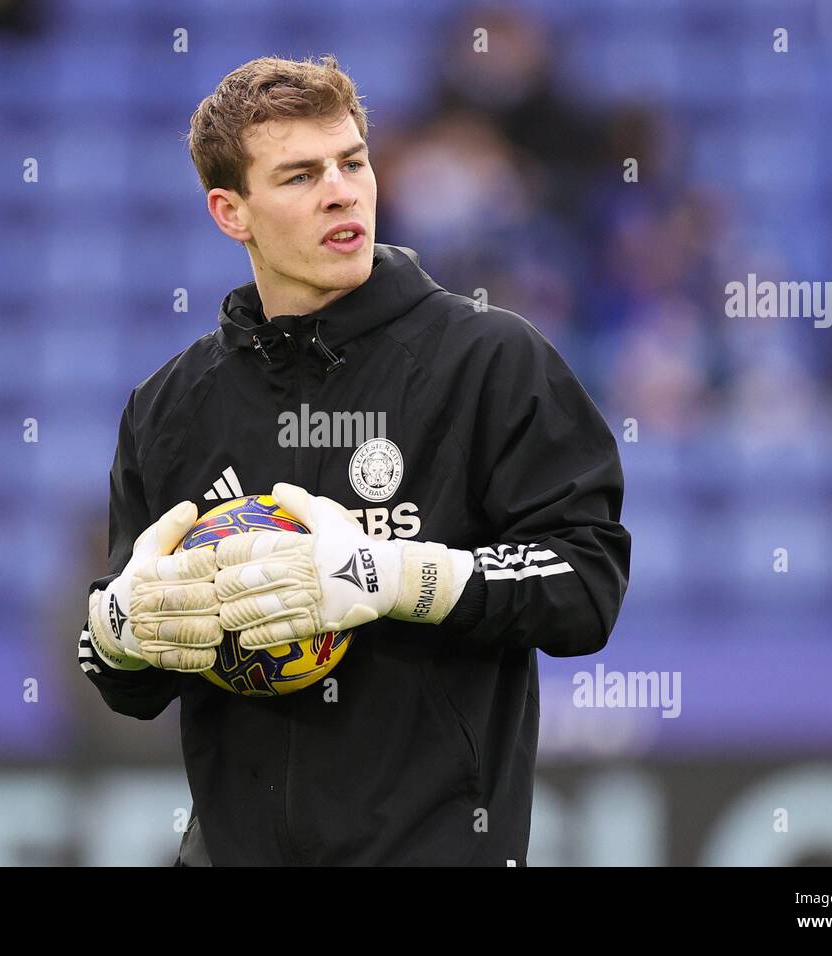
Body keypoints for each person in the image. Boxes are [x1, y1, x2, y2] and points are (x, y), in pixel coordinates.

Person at [77, 55, 630, 865]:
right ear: (232, 212)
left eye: (354, 161)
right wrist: (117, 632)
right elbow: (130, 684)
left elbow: (585, 585)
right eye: (300, 176)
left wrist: (396, 579)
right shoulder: (169, 408)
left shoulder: (490, 360)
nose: (342, 190)